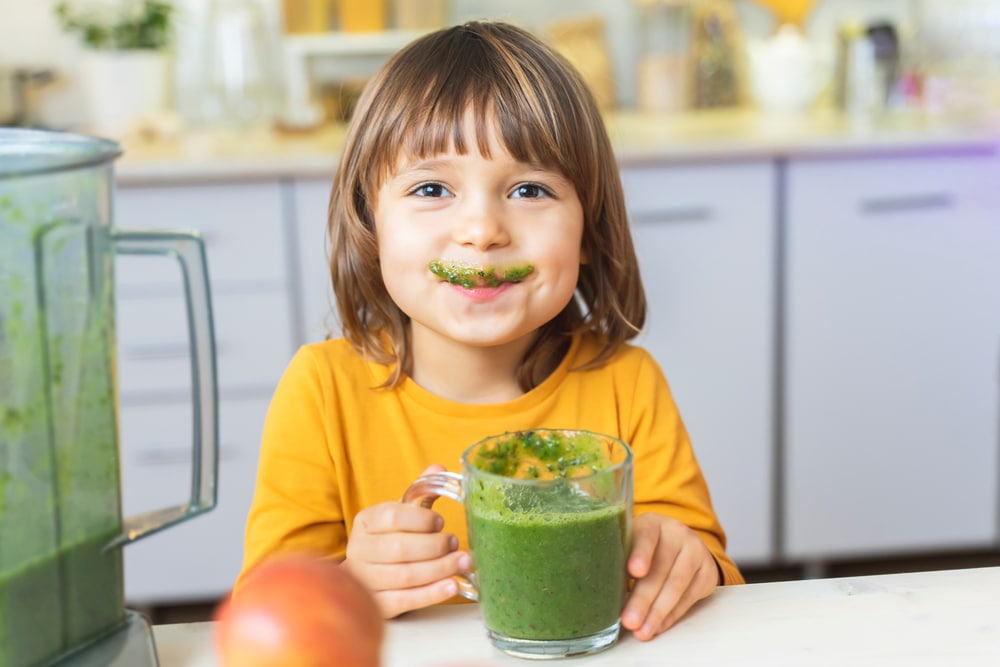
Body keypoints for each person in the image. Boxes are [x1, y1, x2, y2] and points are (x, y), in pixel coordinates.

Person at [238, 19, 744, 641]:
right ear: (371, 227)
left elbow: (709, 572)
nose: (482, 230)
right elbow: (265, 611)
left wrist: (682, 561)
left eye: (530, 189)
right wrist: (348, 582)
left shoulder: (626, 384)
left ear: (588, 231)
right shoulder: (321, 391)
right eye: (432, 188)